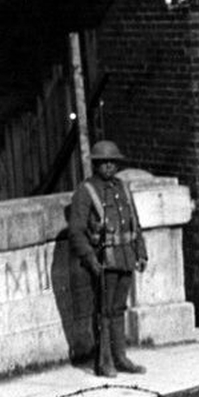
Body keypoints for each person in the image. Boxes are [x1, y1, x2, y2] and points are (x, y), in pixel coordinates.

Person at [69, 140, 148, 377]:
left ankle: (120, 356)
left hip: (125, 257)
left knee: (118, 309)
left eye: (112, 162)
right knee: (104, 311)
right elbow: (76, 231)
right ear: (95, 164)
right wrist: (90, 258)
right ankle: (104, 362)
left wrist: (141, 251)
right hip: (104, 260)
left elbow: (135, 221)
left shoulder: (122, 188)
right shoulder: (86, 191)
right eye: (103, 163)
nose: (109, 167)